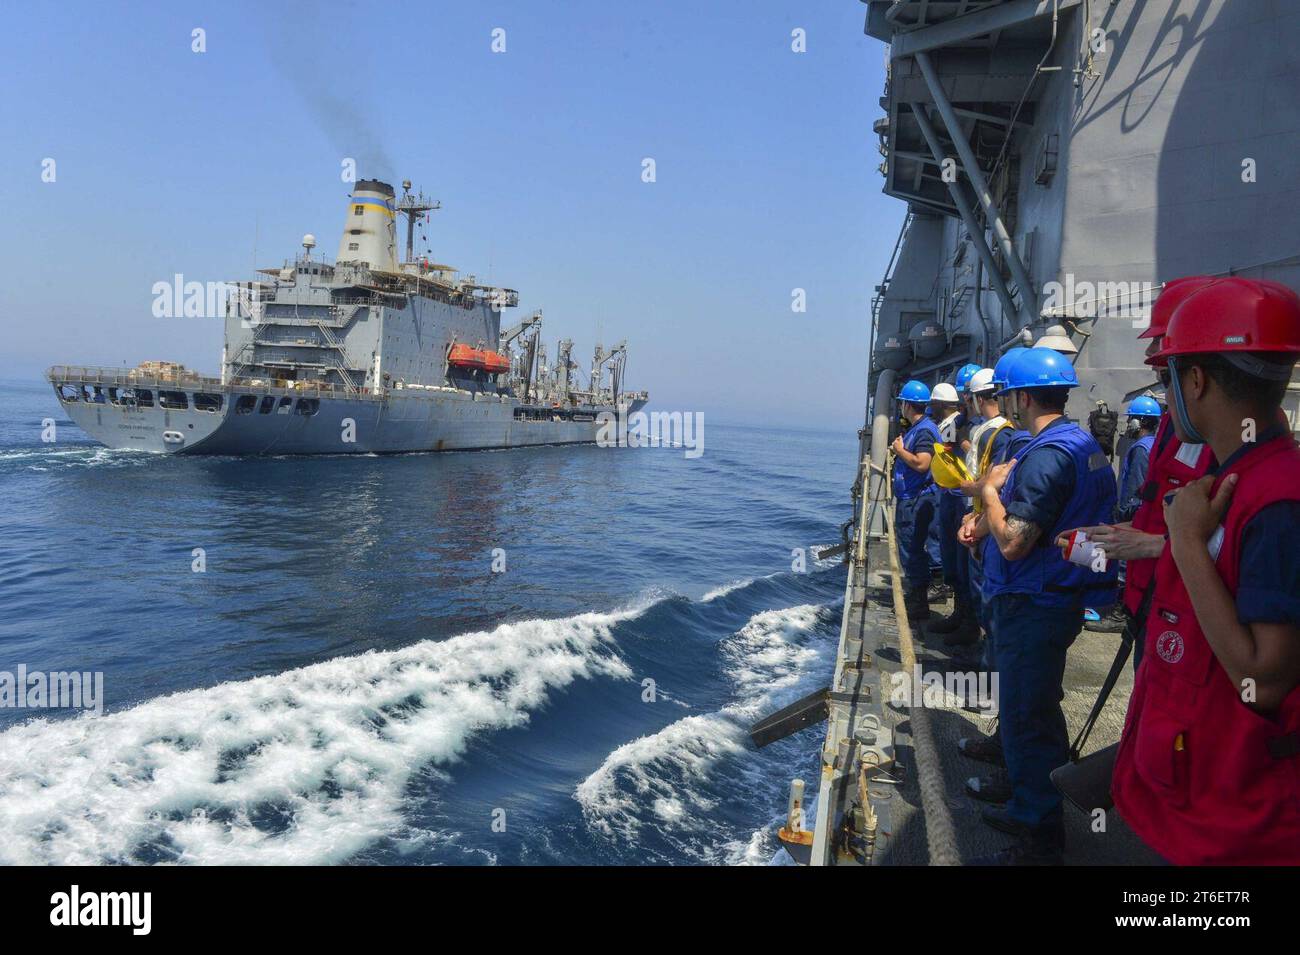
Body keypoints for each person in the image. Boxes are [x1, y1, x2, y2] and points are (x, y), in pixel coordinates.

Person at [1112, 277, 1300, 865]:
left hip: (1231, 824)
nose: (1167, 397)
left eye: (1168, 378)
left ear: (1195, 380)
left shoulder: (1276, 501)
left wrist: (1186, 542)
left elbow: (1262, 679)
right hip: (1191, 790)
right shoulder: (1234, 479)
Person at [969, 348, 1119, 864]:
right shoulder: (1080, 444)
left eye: (1008, 393)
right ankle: (1025, 793)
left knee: (1028, 713)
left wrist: (989, 491)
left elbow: (1014, 542)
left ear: (1023, 396)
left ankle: (1037, 834)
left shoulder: (1048, 454)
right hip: (1053, 597)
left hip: (1033, 602)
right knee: (1033, 707)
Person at [1065, 277, 1216, 654]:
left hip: (1187, 620)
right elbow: (1153, 510)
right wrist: (1104, 539)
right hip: (1148, 602)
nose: (1150, 353)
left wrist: (1151, 546)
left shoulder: (1227, 446)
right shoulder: (1171, 426)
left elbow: (1230, 550)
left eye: (1162, 348)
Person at [890, 379, 941, 625]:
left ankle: (918, 602)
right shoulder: (919, 428)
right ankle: (916, 596)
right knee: (911, 548)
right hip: (912, 497)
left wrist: (900, 451)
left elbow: (922, 463)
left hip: (916, 499)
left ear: (908, 406)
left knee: (912, 550)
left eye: (902, 404)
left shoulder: (923, 431)